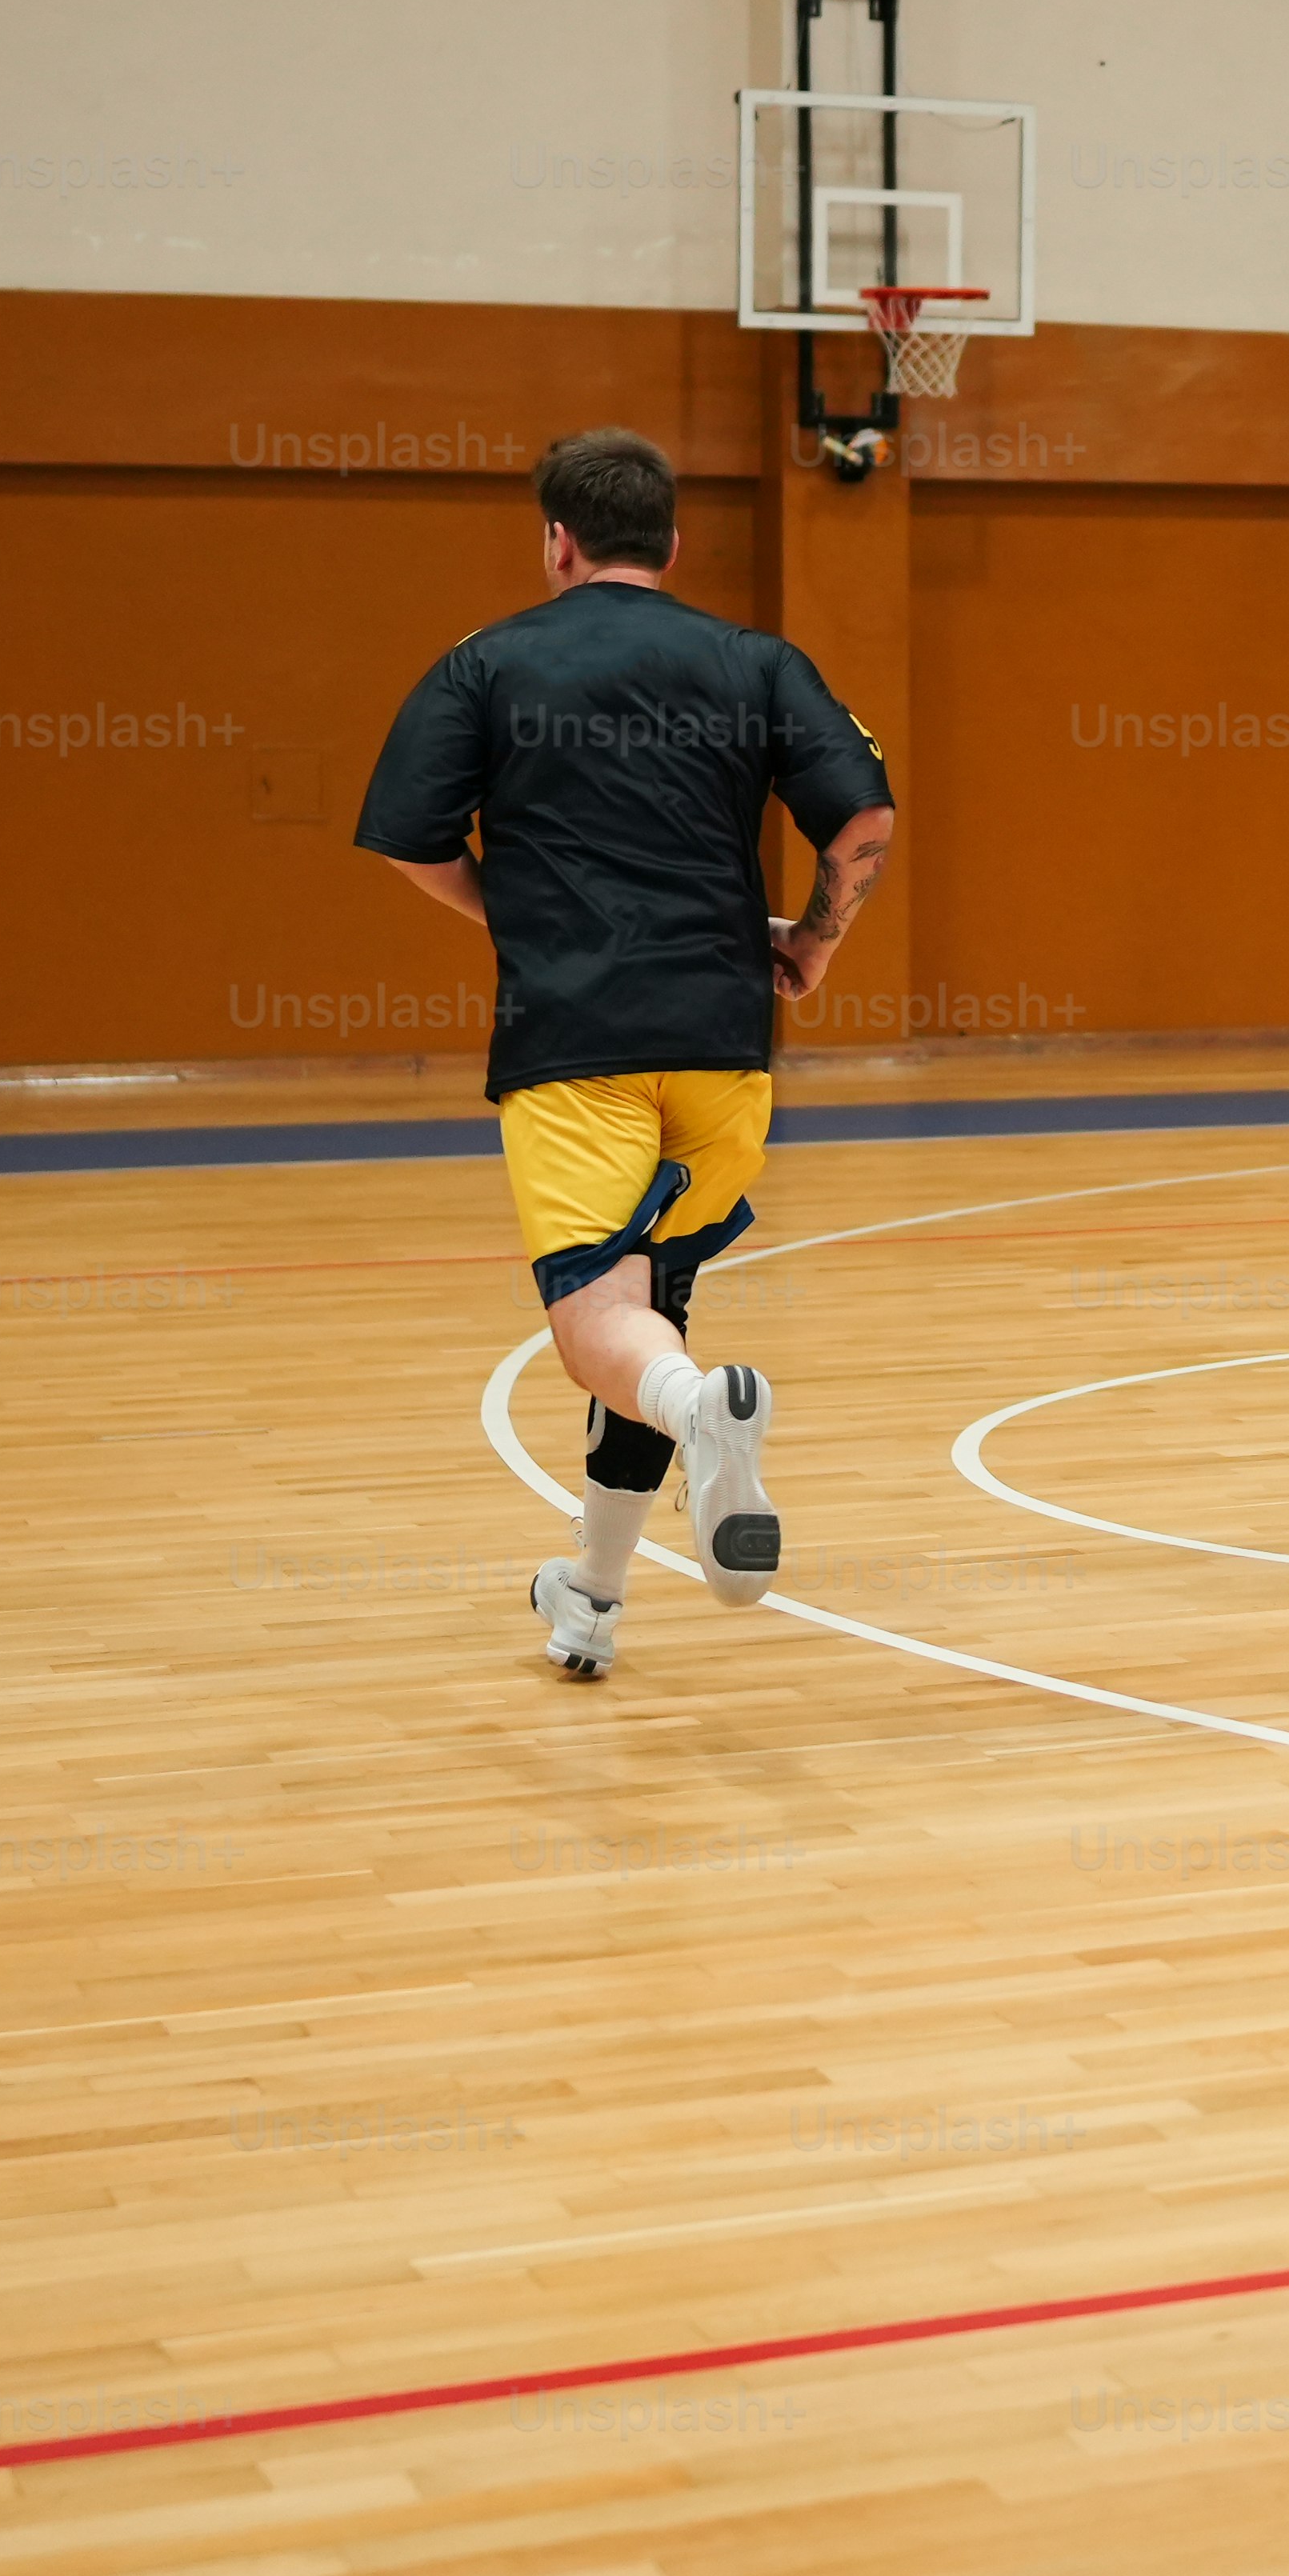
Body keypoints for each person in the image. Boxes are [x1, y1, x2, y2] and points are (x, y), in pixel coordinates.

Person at [356, 429, 894, 1679]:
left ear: (558, 540)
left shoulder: (486, 664)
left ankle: (708, 1412)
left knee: (602, 1328)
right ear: (673, 542)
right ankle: (590, 1596)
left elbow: (410, 841)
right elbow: (862, 814)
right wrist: (814, 942)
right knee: (658, 1319)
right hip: (723, 1040)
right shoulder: (755, 660)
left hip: (577, 1040)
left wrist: (522, 913)